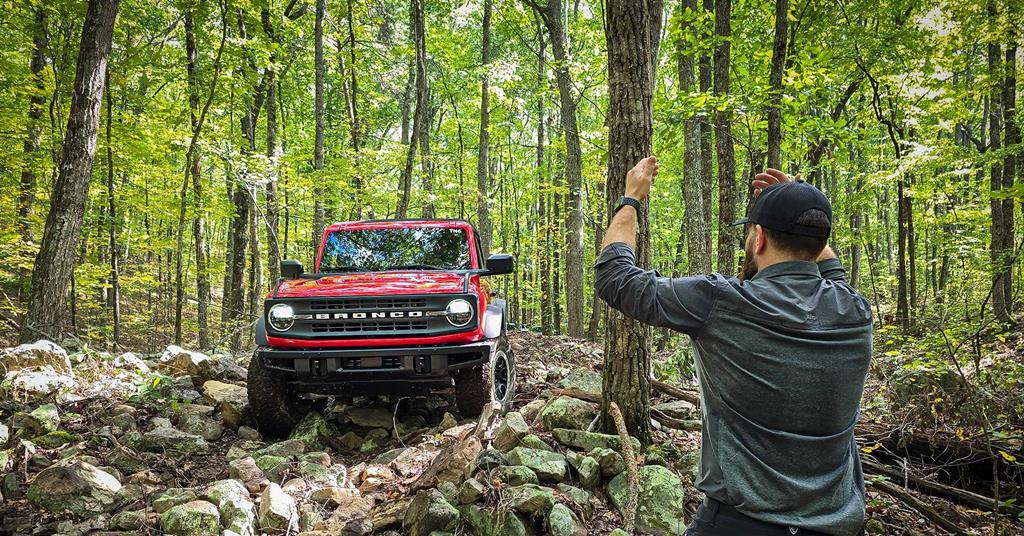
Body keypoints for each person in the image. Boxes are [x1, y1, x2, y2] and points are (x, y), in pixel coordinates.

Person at [595, 156, 872, 536]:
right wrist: (799, 205)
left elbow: (616, 279)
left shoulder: (722, 302)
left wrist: (631, 200)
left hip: (738, 524)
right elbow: (829, 270)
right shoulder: (855, 312)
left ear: (759, 238)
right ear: (820, 243)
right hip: (838, 523)